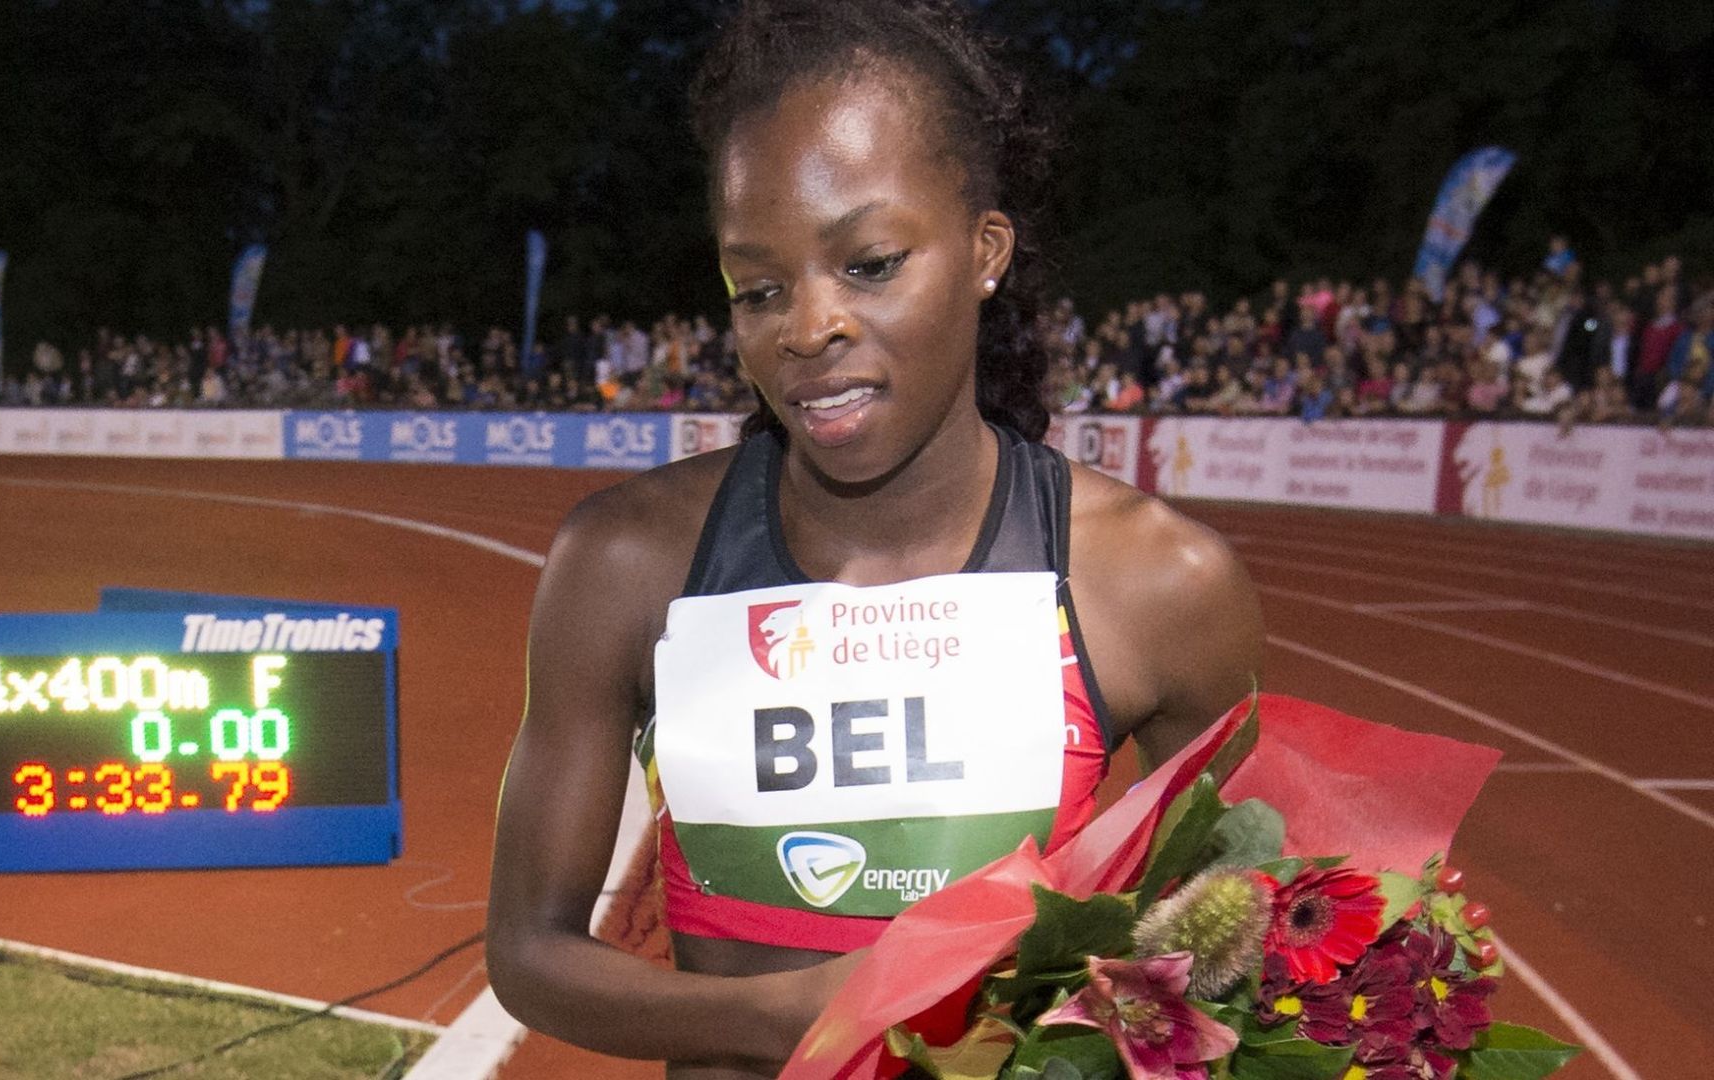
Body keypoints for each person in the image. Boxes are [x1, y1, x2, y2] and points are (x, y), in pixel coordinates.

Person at [484, 3, 1264, 1076]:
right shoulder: (625, 564)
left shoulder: (1155, 583)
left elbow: (1243, 956)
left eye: (870, 263)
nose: (807, 327)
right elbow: (529, 952)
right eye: (758, 288)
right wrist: (787, 1013)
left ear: (985, 250)